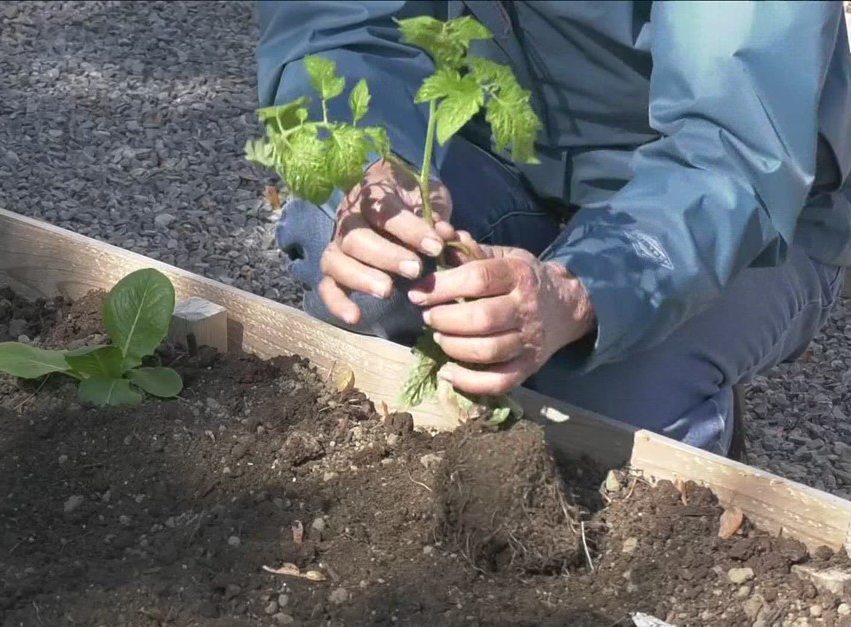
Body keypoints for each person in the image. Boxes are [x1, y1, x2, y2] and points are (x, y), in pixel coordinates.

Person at [255, 1, 851, 461]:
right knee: (365, 267)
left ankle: (694, 415)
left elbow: (734, 146)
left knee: (608, 411)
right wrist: (374, 164)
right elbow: (334, 27)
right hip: (508, 164)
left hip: (750, 204)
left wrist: (586, 288)